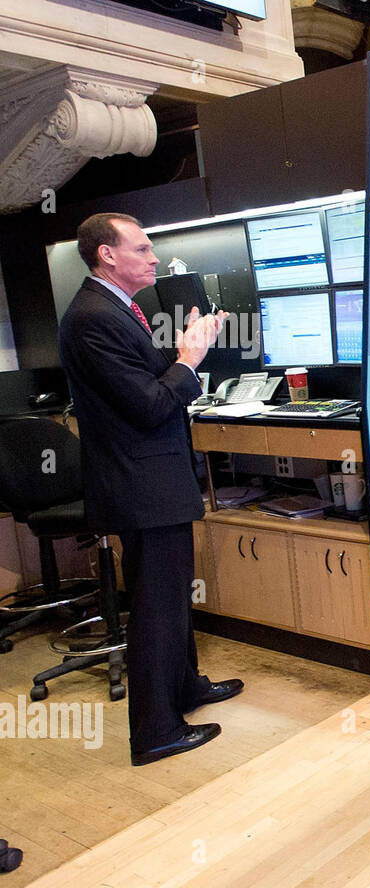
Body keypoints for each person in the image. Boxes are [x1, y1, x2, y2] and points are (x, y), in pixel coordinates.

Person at [58, 212, 241, 766]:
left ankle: (185, 687)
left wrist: (187, 349)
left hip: (152, 480)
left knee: (171, 595)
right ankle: (156, 731)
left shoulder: (116, 308)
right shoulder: (93, 317)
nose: (154, 257)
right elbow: (148, 405)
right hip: (141, 485)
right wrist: (189, 359)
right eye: (141, 248)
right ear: (107, 254)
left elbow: (148, 385)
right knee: (157, 606)